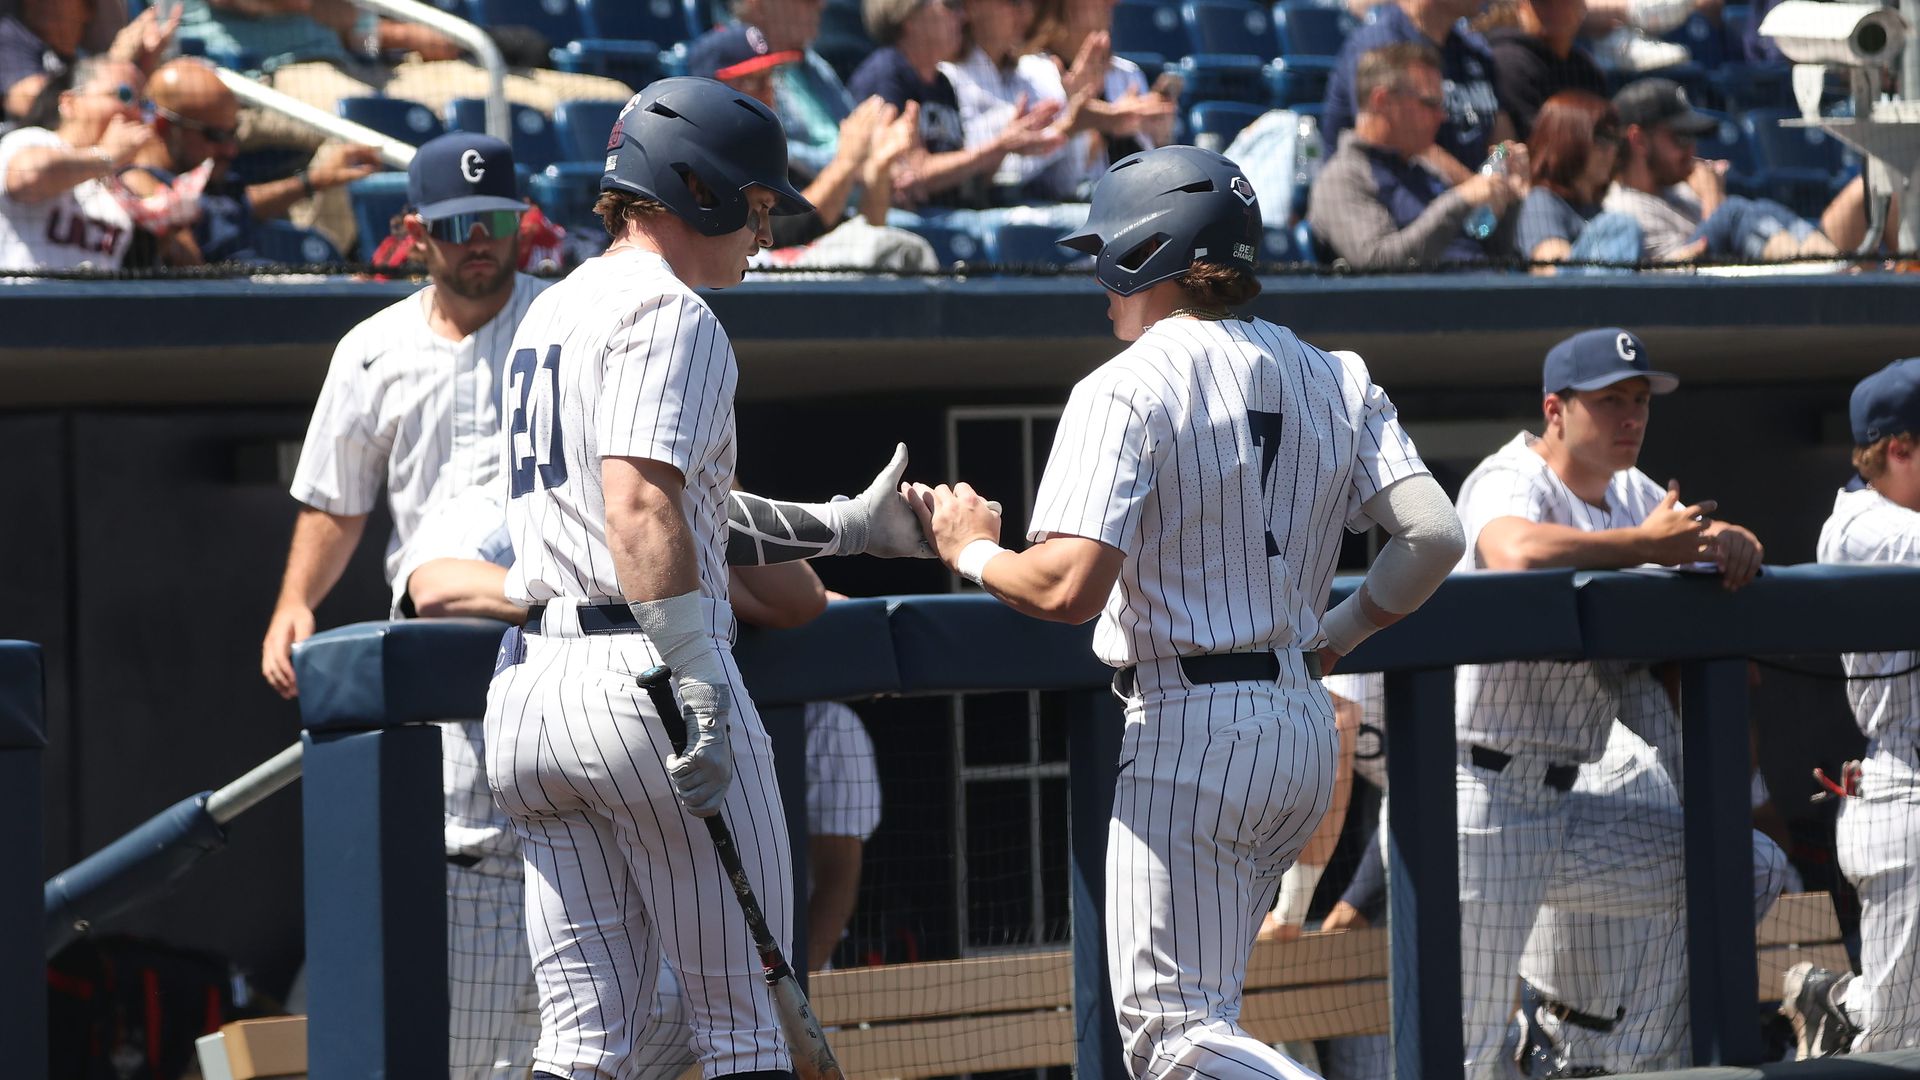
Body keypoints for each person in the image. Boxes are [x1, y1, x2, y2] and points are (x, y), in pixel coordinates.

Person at [909, 143, 1464, 1079]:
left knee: (1170, 1038)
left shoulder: (1125, 383)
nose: (1100, 280)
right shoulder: (1338, 374)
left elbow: (1065, 589)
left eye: (1105, 253)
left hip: (1191, 729)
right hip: (1297, 727)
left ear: (1146, 250)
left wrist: (967, 548)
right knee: (1210, 1020)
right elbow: (1435, 537)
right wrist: (1339, 635)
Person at [480, 76, 935, 1079]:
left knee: (582, 1043)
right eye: (760, 204)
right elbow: (642, 507)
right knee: (747, 1029)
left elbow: (681, 502)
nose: (764, 228)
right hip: (643, 676)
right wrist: (692, 672)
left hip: (530, 691)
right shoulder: (672, 312)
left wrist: (842, 527)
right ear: (698, 188)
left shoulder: (553, 307)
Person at [1448, 326, 1766, 1078]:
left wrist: (1731, 538)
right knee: (1468, 1052)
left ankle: (1614, 1062)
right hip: (1480, 796)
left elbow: (1694, 532)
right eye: (1609, 402)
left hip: (1569, 804)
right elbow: (1513, 552)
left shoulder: (1627, 489)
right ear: (1556, 411)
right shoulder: (1510, 475)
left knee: (1744, 871)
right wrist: (1641, 548)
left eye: (1639, 401)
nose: (1631, 417)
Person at [259, 131, 546, 700]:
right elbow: (335, 500)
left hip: (556, 629)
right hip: (440, 625)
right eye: (461, 226)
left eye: (497, 221)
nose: (481, 241)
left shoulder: (565, 321)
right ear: (416, 234)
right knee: (455, 787)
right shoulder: (371, 347)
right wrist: (295, 600)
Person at [1789, 357, 1920, 1058]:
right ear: (1898, 450)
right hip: (1908, 797)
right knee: (1899, 1052)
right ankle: (1850, 1009)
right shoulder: (1862, 525)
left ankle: (1839, 1002)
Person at [689, 23, 934, 270]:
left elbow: (862, 229)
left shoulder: (774, 155)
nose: (767, 93)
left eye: (771, 79)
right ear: (709, 90)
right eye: (753, 82)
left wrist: (879, 170)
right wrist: (846, 162)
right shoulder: (706, 164)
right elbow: (783, 233)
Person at [119, 57, 380, 264]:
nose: (230, 149)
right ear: (164, 126)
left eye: (233, 134)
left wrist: (314, 181)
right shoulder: (135, 185)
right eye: (216, 135)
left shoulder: (207, 180)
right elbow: (191, 268)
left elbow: (238, 204)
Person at [1307, 42, 1519, 269]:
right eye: (1429, 103)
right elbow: (1377, 263)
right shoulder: (1342, 178)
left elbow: (1490, 250)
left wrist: (1510, 200)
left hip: (1488, 292)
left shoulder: (1428, 168)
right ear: (1382, 101)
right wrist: (1459, 201)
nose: (1442, 116)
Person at [850, 0, 1063, 212]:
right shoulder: (887, 74)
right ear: (909, 17)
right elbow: (913, 174)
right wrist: (1000, 145)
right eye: (950, 6)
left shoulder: (942, 83)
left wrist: (1008, 144)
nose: (962, 16)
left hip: (952, 218)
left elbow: (964, 180)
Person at [1604, 77, 1841, 262]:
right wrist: (1712, 196)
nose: (1691, 150)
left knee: (1763, 208)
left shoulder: (1679, 192)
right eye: (1681, 138)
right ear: (1638, 140)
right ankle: (1812, 269)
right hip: (1683, 312)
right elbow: (1697, 272)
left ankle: (1834, 266)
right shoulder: (1624, 210)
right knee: (1732, 212)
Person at [1322, 0, 1513, 179]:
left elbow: (1501, 130)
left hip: (1478, 201)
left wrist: (1509, 162)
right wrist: (1475, 189)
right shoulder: (1379, 47)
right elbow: (1401, 141)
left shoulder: (1474, 50)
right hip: (1394, 200)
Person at [0, 54, 146, 269]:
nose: (134, 110)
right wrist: (107, 155)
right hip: (23, 299)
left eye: (141, 102)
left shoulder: (116, 180)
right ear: (70, 103)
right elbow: (26, 176)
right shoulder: (32, 140)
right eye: (123, 95)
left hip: (92, 301)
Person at [1021, 0, 1175, 197]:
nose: (1113, 3)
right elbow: (1050, 182)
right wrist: (1087, 122)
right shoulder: (1030, 72)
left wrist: (1161, 138)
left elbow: (1150, 175)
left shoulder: (1127, 73)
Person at [1512, 90, 1641, 268]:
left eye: (1615, 140)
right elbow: (1550, 273)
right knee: (1620, 226)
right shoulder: (1542, 201)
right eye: (1603, 139)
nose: (1612, 150)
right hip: (1572, 295)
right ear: (1567, 140)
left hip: (1603, 293)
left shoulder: (1597, 208)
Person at [729, 0, 857, 178]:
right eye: (806, 1)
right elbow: (773, 154)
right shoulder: (740, 68)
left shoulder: (810, 60)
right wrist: (851, 157)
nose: (821, 5)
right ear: (758, 6)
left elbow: (855, 124)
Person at [1486, 0, 1605, 138]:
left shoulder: (1587, 69)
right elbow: (1534, 146)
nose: (1554, 9)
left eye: (1564, 2)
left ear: (1582, 6)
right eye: (1543, 2)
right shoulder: (1508, 62)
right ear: (1522, 6)